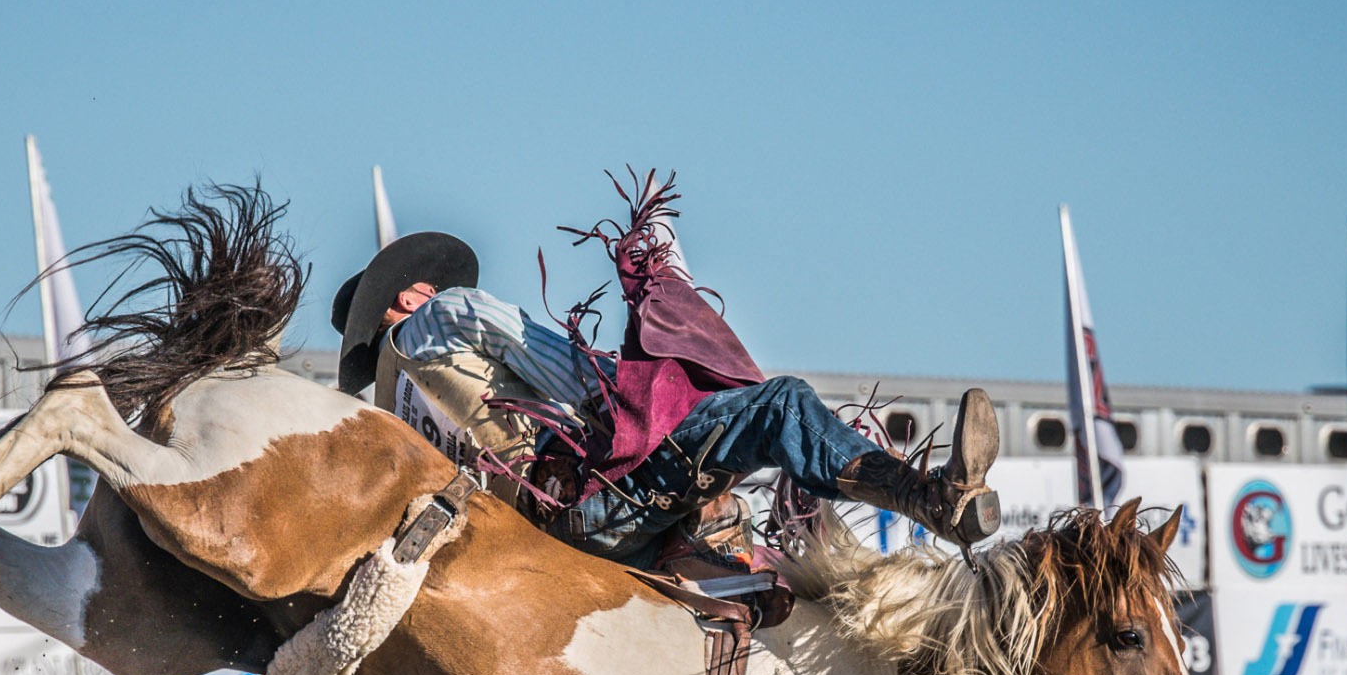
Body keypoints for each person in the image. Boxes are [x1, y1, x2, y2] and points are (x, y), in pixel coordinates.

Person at [331, 183, 1001, 569]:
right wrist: (641, 392)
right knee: (781, 405)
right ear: (411, 294)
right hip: (593, 494)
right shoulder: (444, 313)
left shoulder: (390, 409)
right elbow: (573, 377)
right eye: (426, 284)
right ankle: (933, 500)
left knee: (733, 514)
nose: (434, 288)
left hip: (539, 530)